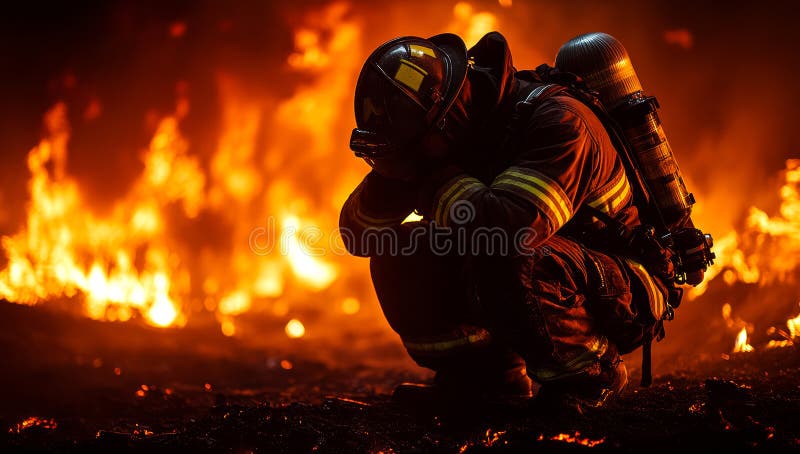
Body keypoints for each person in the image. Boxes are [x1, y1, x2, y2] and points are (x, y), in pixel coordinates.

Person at [339, 31, 681, 409]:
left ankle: (589, 374)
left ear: (443, 125)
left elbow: (509, 230)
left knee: (511, 251)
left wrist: (431, 177)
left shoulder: (560, 122)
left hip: (625, 289)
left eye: (414, 151)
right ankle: (483, 379)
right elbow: (357, 234)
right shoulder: (456, 131)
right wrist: (400, 171)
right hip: (553, 270)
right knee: (399, 251)